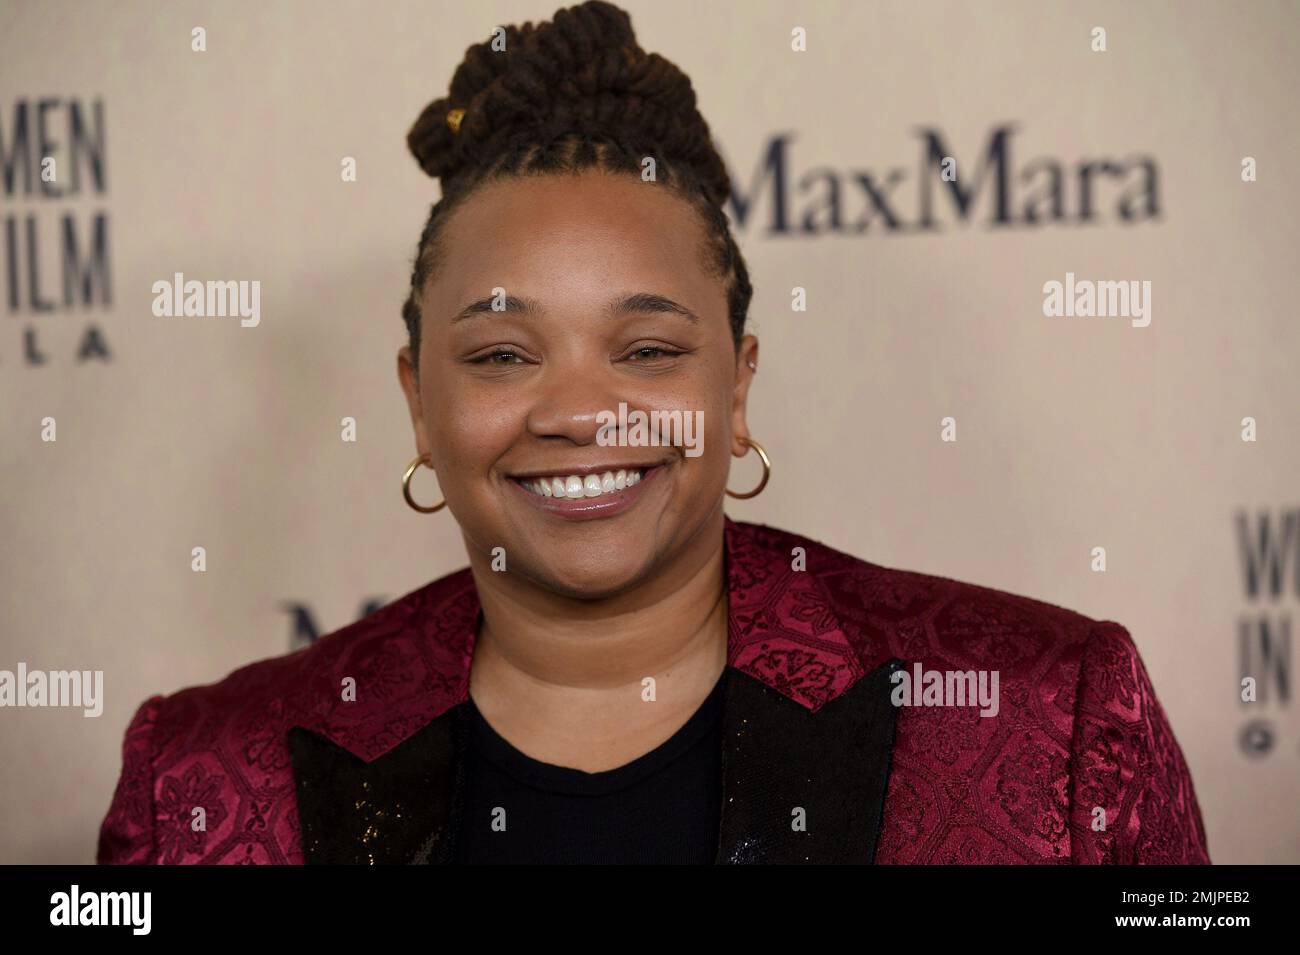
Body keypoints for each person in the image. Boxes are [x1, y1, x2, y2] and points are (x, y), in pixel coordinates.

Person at [98, 0, 1209, 865]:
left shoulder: (1049, 715)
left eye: (646, 350)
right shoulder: (201, 778)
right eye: (499, 356)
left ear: (736, 389)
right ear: (417, 406)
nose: (581, 413)